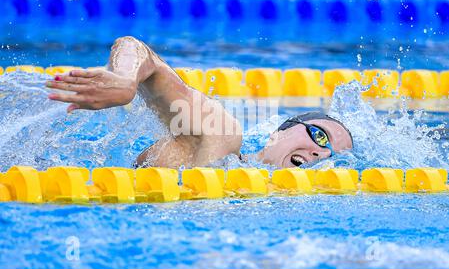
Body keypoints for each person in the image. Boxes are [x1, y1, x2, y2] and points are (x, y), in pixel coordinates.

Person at [46, 36, 353, 169]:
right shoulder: (219, 137)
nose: (321, 153)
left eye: (334, 156)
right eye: (319, 135)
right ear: (277, 133)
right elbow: (136, 48)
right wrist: (126, 81)